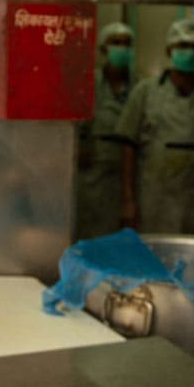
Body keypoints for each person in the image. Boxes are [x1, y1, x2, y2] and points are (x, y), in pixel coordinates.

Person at [117, 18, 194, 236]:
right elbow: (128, 148)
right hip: (156, 202)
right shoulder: (145, 93)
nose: (190, 52)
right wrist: (128, 200)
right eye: (183, 46)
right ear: (169, 50)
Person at [75, 21, 135, 240]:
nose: (123, 48)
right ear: (102, 49)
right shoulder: (88, 82)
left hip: (128, 169)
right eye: (116, 43)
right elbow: (75, 121)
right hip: (94, 167)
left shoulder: (140, 87)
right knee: (91, 227)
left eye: (127, 44)